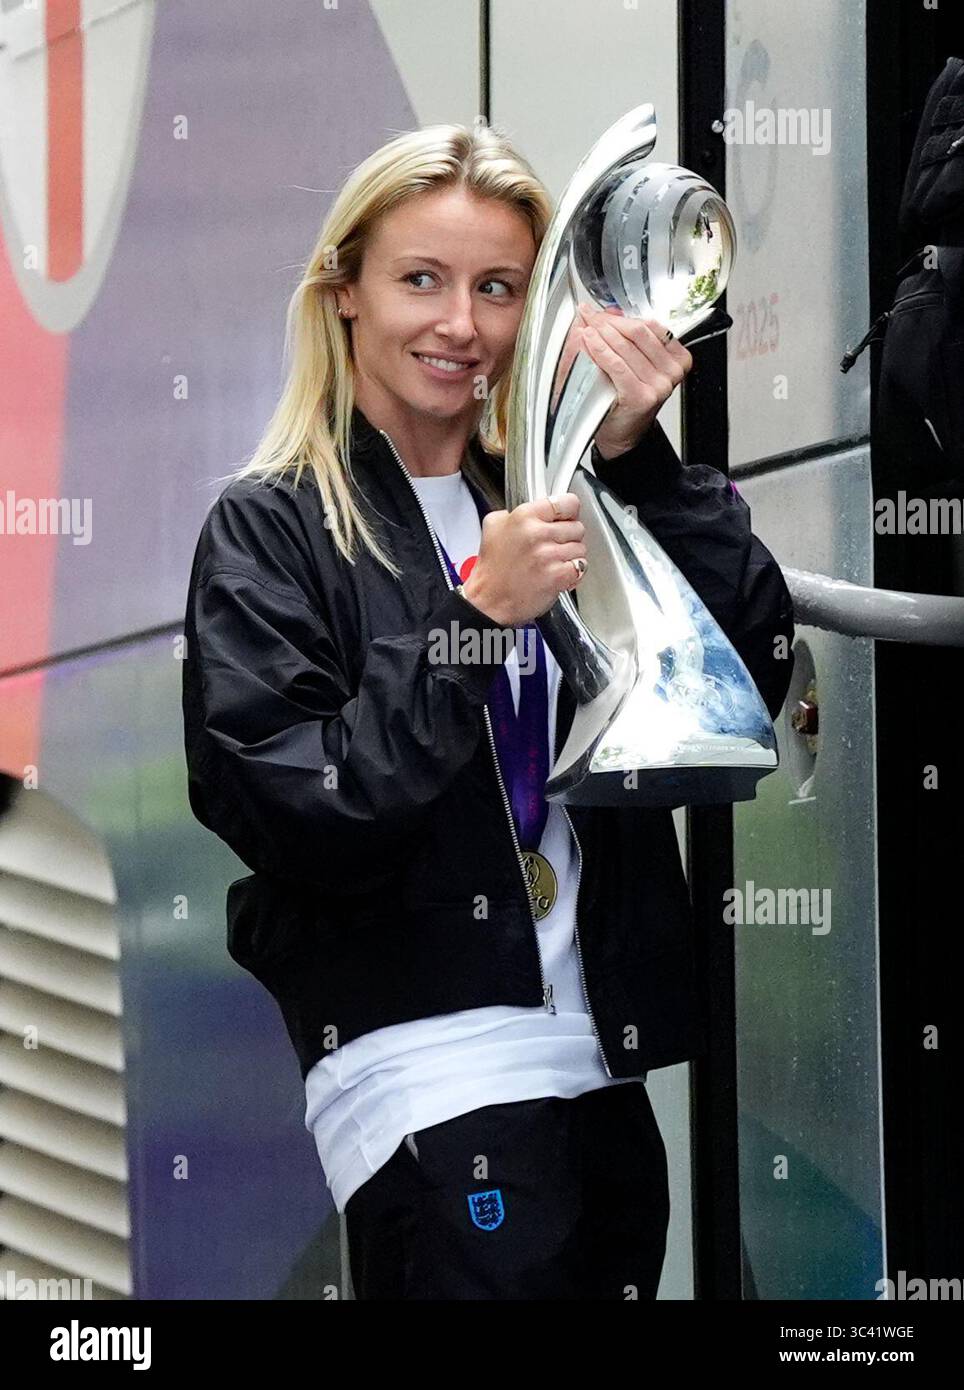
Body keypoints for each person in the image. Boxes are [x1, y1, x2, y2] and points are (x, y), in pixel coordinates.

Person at [181, 121, 795, 1300]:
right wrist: (475, 622)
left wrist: (638, 462)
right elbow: (302, 808)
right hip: (429, 1075)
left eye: (498, 288)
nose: (461, 324)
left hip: (598, 1069)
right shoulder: (271, 527)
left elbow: (748, 671)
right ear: (342, 292)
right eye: (421, 279)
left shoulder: (556, 492)